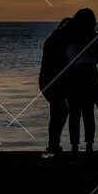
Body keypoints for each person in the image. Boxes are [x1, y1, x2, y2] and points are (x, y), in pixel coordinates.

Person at [62, 8, 98, 152]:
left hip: (73, 74)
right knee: (88, 112)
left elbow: (65, 55)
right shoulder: (93, 36)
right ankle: (89, 145)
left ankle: (75, 146)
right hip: (89, 74)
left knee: (74, 112)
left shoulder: (70, 35)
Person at [38, 18, 72, 154]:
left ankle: (54, 143)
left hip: (48, 79)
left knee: (60, 111)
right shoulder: (60, 41)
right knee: (59, 111)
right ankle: (53, 144)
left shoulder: (54, 39)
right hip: (52, 80)